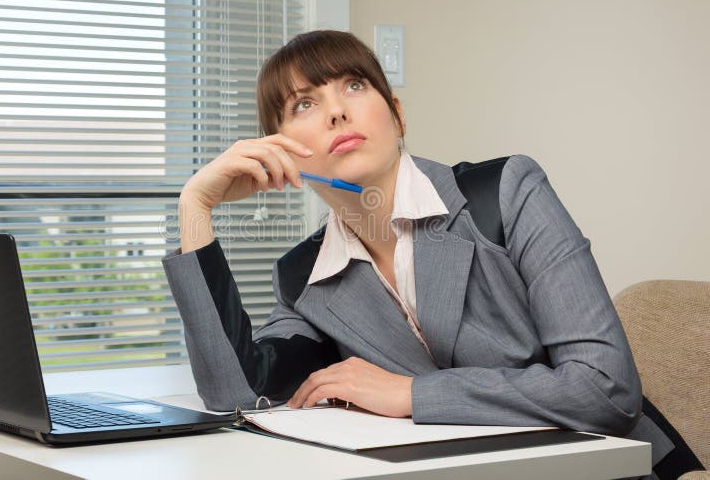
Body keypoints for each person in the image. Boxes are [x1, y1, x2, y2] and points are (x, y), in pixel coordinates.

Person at [162, 30, 695, 478]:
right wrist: (196, 206)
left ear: (396, 114)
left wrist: (412, 394)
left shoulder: (507, 192)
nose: (336, 112)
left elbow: (605, 389)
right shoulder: (304, 277)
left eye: (354, 85)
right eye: (304, 103)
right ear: (275, 151)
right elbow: (236, 392)